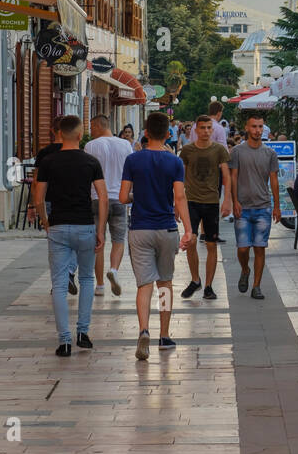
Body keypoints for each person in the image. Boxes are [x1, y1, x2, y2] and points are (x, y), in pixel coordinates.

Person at [120, 112, 196, 359]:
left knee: (144, 285)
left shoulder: (133, 160)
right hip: (166, 229)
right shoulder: (174, 162)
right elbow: (180, 197)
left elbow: (122, 197)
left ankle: (143, 330)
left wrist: (136, 197)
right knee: (165, 283)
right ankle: (164, 335)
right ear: (167, 134)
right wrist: (189, 229)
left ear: (144, 132)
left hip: (140, 229)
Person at [33, 115, 107, 356]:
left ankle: (64, 341)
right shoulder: (91, 162)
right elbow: (102, 197)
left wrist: (45, 221)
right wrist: (100, 229)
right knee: (86, 279)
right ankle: (83, 332)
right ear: (79, 135)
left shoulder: (48, 162)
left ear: (60, 134)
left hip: (58, 226)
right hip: (84, 225)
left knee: (58, 283)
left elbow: (38, 196)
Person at [178, 114, 232, 300]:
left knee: (211, 244)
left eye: (209, 128)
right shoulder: (187, 150)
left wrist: (228, 200)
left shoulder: (219, 150)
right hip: (191, 201)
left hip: (211, 202)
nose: (206, 131)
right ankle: (195, 280)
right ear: (196, 129)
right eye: (203, 128)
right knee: (191, 240)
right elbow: (180, 178)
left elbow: (226, 175)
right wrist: (177, 203)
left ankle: (209, 285)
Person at [229, 113, 281, 299]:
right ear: (247, 127)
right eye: (254, 126)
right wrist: (234, 201)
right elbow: (233, 177)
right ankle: (245, 269)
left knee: (260, 247)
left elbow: (274, 180)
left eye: (260, 127)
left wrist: (277, 205)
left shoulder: (270, 153)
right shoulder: (237, 152)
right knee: (243, 248)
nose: (257, 130)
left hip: (263, 206)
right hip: (242, 207)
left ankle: (256, 286)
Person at [84, 115, 134, 298]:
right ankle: (114, 269)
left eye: (91, 126)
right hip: (120, 197)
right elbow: (131, 171)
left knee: (98, 243)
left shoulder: (91, 146)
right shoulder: (125, 145)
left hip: (97, 198)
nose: (91, 131)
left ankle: (100, 285)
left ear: (98, 125)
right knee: (118, 239)